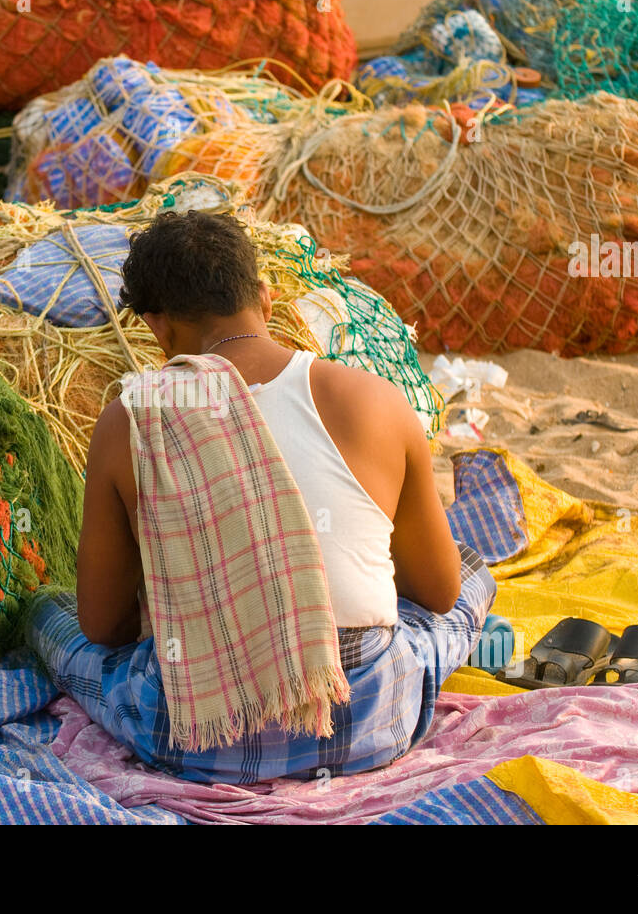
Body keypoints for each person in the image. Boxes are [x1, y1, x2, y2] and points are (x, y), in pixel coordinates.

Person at [25, 210, 495, 783]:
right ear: (267, 300)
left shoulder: (131, 420)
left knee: (50, 613)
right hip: (370, 723)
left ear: (158, 327)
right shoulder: (373, 398)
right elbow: (439, 592)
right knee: (472, 572)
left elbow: (104, 627)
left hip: (195, 737)